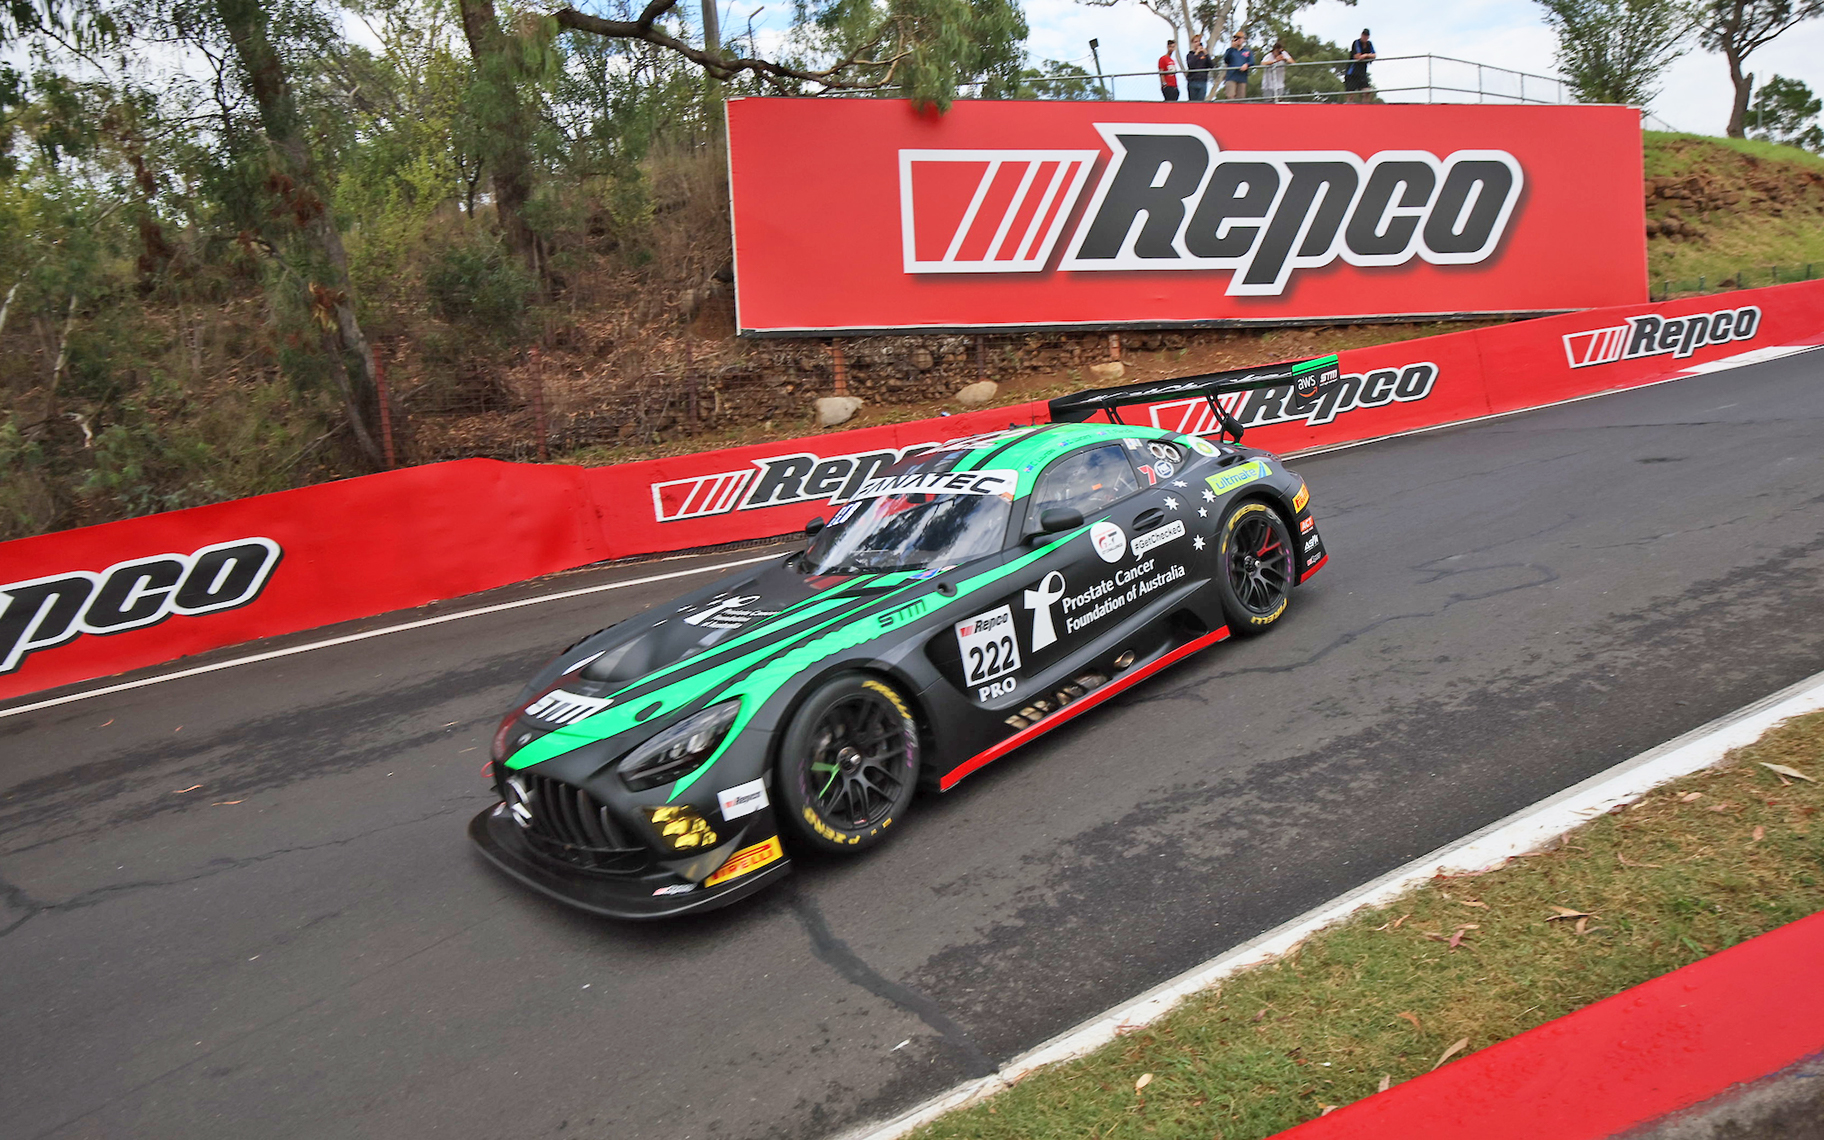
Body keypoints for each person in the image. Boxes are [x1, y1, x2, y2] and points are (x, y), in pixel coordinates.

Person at [1346, 28, 1375, 102]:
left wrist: (1365, 55)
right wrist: (1368, 56)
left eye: (1366, 36)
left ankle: (1365, 107)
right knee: (1351, 94)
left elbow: (1374, 55)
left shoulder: (1369, 44)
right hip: (1352, 73)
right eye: (1364, 35)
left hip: (1362, 73)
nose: (1365, 37)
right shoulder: (1356, 43)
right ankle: (1348, 107)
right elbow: (1358, 56)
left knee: (1367, 92)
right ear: (1361, 35)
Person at [1221, 32, 1251, 99]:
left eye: (1240, 38)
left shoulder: (1247, 51)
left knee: (1240, 98)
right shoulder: (1229, 50)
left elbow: (1252, 61)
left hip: (1242, 77)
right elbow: (1226, 60)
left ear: (1243, 40)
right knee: (1230, 96)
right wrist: (1232, 48)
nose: (1238, 40)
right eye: (1236, 38)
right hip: (1231, 77)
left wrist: (1247, 64)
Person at [1185, 34, 1212, 102]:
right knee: (1193, 102)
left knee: (1201, 102)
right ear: (1192, 43)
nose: (1197, 43)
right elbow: (1190, 65)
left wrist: (1206, 54)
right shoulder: (1190, 55)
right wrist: (1196, 54)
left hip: (1202, 81)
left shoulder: (1204, 55)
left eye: (1199, 41)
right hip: (1192, 81)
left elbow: (1211, 65)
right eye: (1195, 42)